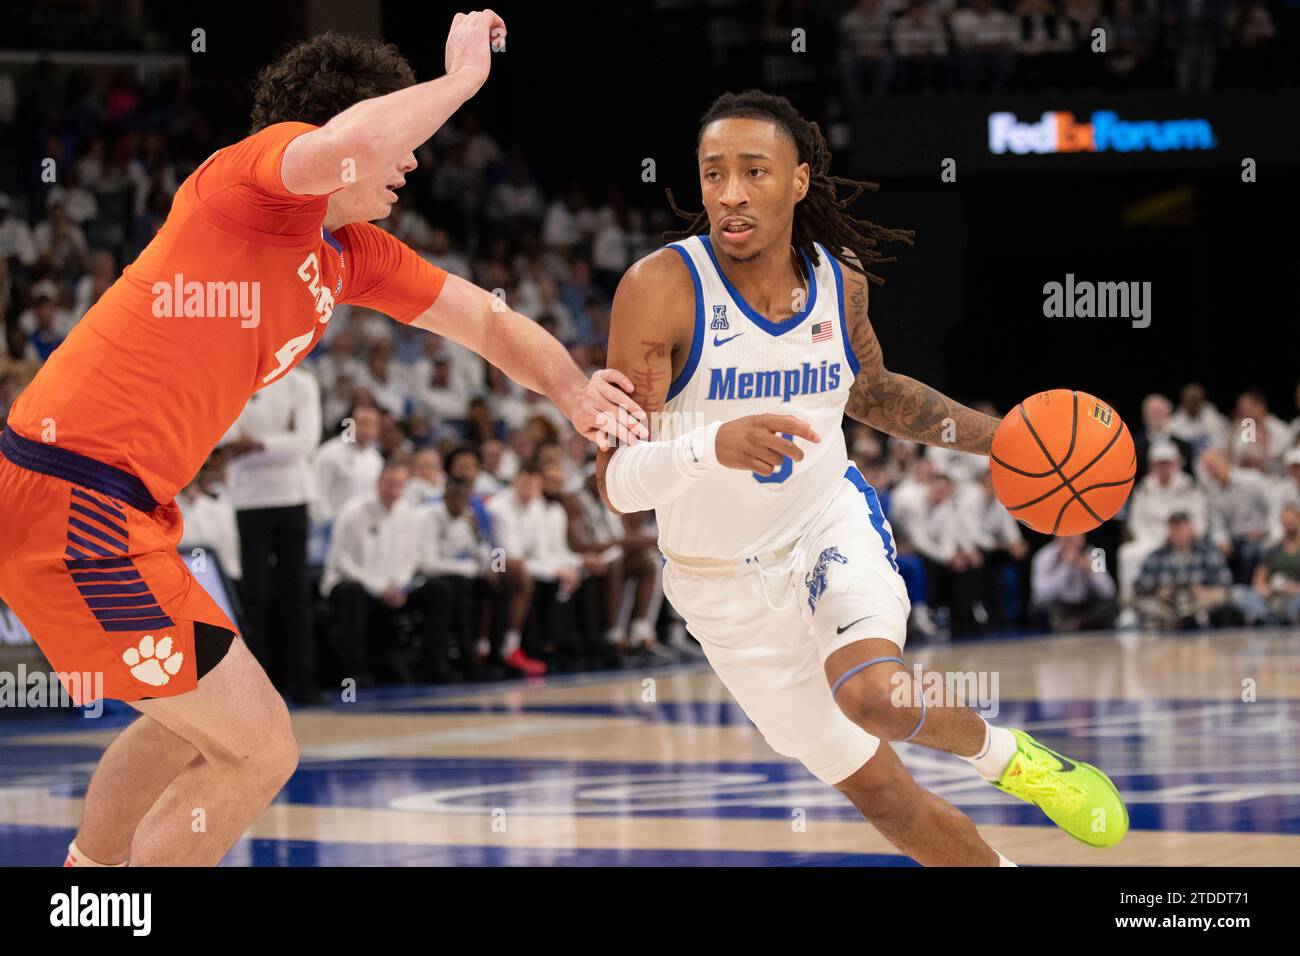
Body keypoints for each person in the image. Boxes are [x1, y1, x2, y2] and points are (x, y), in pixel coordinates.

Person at [0, 13, 646, 868]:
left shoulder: (351, 255)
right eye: (402, 133)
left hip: (114, 510)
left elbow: (487, 324)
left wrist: (572, 389)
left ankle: (86, 898)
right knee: (261, 748)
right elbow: (359, 139)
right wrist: (456, 85)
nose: (412, 159)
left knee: (182, 728)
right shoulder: (246, 183)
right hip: (76, 503)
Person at [595, 90, 1127, 866]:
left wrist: (1006, 440)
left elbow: (873, 393)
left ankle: (1013, 760)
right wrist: (711, 446)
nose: (730, 193)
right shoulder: (659, 288)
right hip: (718, 589)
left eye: (754, 171)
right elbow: (615, 484)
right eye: (713, 174)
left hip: (825, 525)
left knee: (874, 694)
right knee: (887, 800)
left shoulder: (838, 282)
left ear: (800, 180)